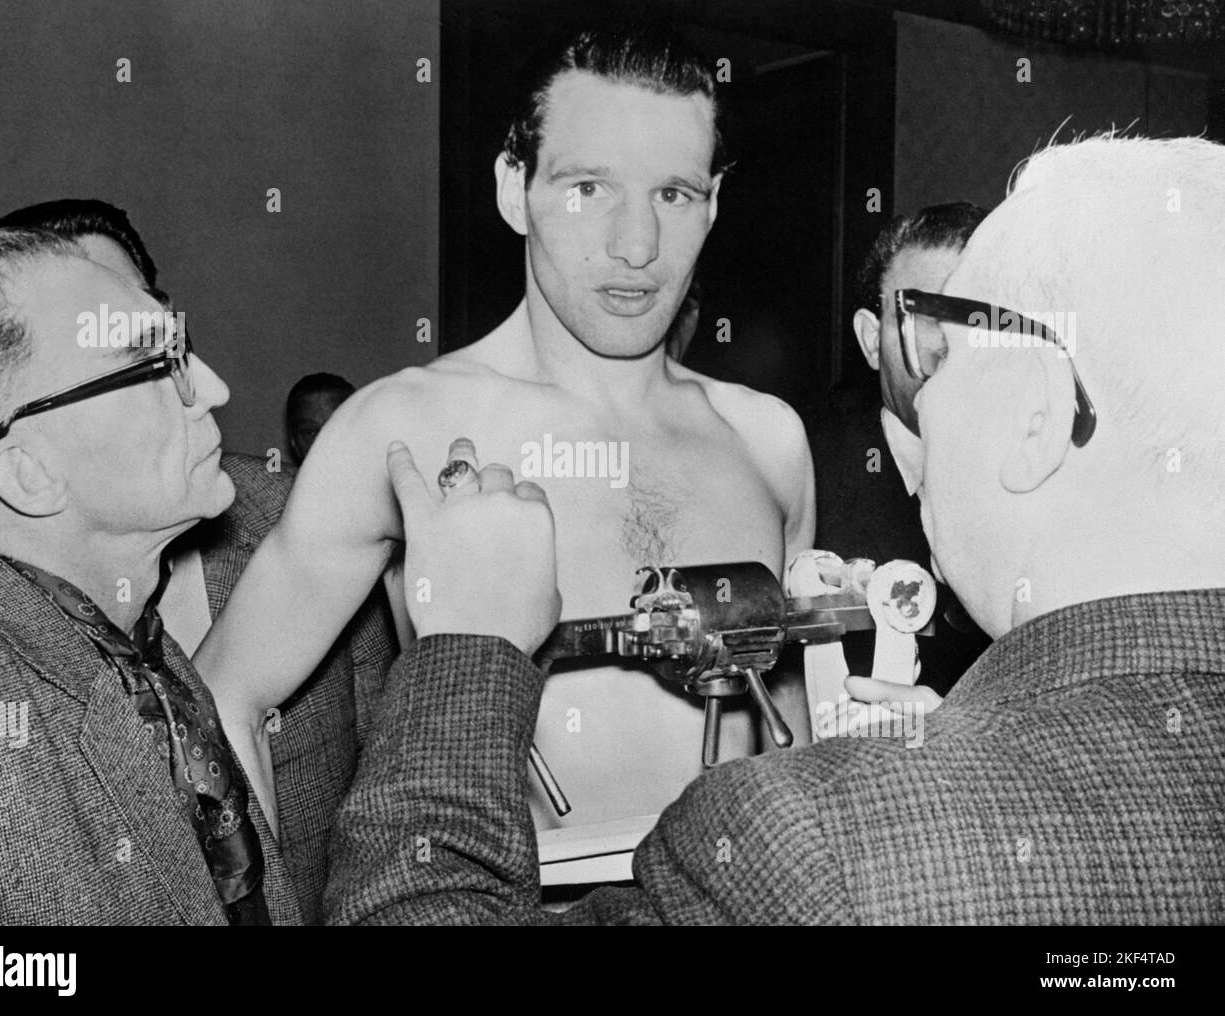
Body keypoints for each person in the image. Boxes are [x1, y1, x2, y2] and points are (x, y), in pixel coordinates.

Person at [325, 134, 1225, 924]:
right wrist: (970, 754)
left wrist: (467, 649)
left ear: (1038, 418)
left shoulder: (812, 845)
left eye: (944, 349)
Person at [195, 21, 815, 831]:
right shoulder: (403, 427)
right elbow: (221, 702)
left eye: (674, 194)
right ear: (512, 189)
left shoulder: (768, 439)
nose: (637, 245)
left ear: (713, 205)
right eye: (588, 187)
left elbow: (793, 719)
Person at [0, 198, 397, 923]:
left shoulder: (301, 520)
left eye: (161, 336)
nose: (207, 386)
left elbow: (381, 762)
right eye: (125, 355)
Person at [806, 203, 992, 721]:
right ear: (871, 340)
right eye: (929, 317)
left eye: (976, 314)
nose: (951, 344)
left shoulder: (1055, 477)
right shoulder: (804, 472)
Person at [287, 372, 355, 463]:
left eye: (336, 427)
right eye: (310, 432)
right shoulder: (270, 475)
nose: (324, 443)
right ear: (293, 441)